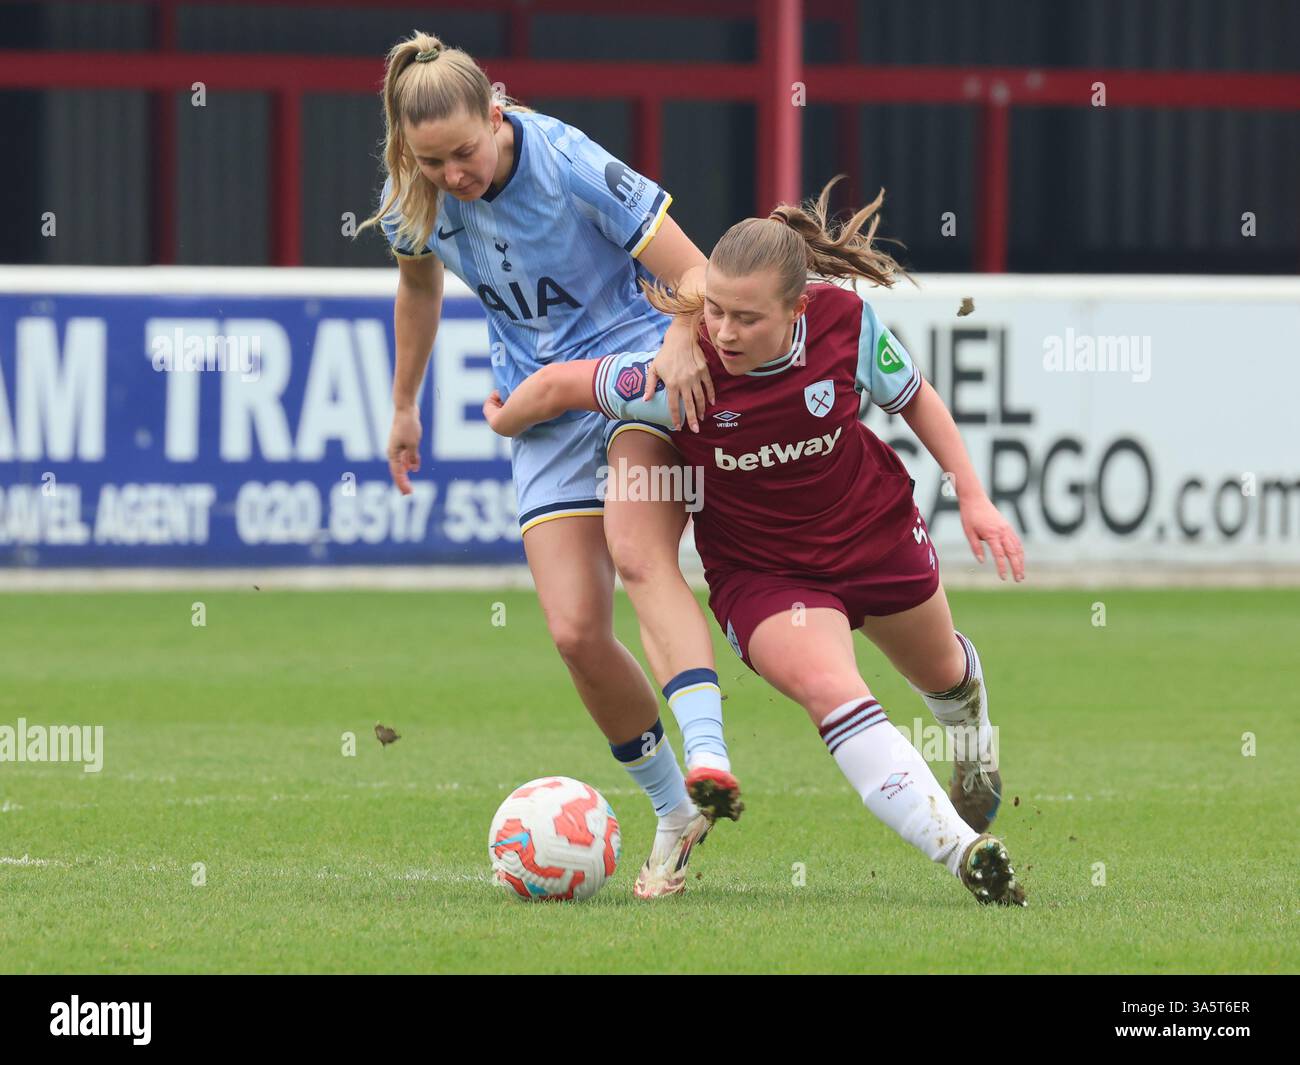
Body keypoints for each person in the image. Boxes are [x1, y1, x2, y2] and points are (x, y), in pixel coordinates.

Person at [482, 180, 1029, 905]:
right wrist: (502, 419)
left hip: (875, 532)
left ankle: (971, 733)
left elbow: (916, 397)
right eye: (713, 311)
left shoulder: (844, 324)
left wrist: (972, 492)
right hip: (766, 574)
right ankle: (965, 853)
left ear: (797, 309)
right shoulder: (677, 376)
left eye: (746, 317)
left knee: (944, 674)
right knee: (833, 689)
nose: (725, 332)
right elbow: (557, 386)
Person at [356, 31, 735, 899]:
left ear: (498, 112)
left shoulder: (565, 160)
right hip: (543, 410)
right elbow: (418, 288)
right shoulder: (414, 193)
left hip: (636, 381)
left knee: (639, 554)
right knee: (573, 631)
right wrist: (405, 404)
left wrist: (681, 334)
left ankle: (709, 748)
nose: (453, 174)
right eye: (431, 160)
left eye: (464, 151)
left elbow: (697, 272)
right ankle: (677, 811)